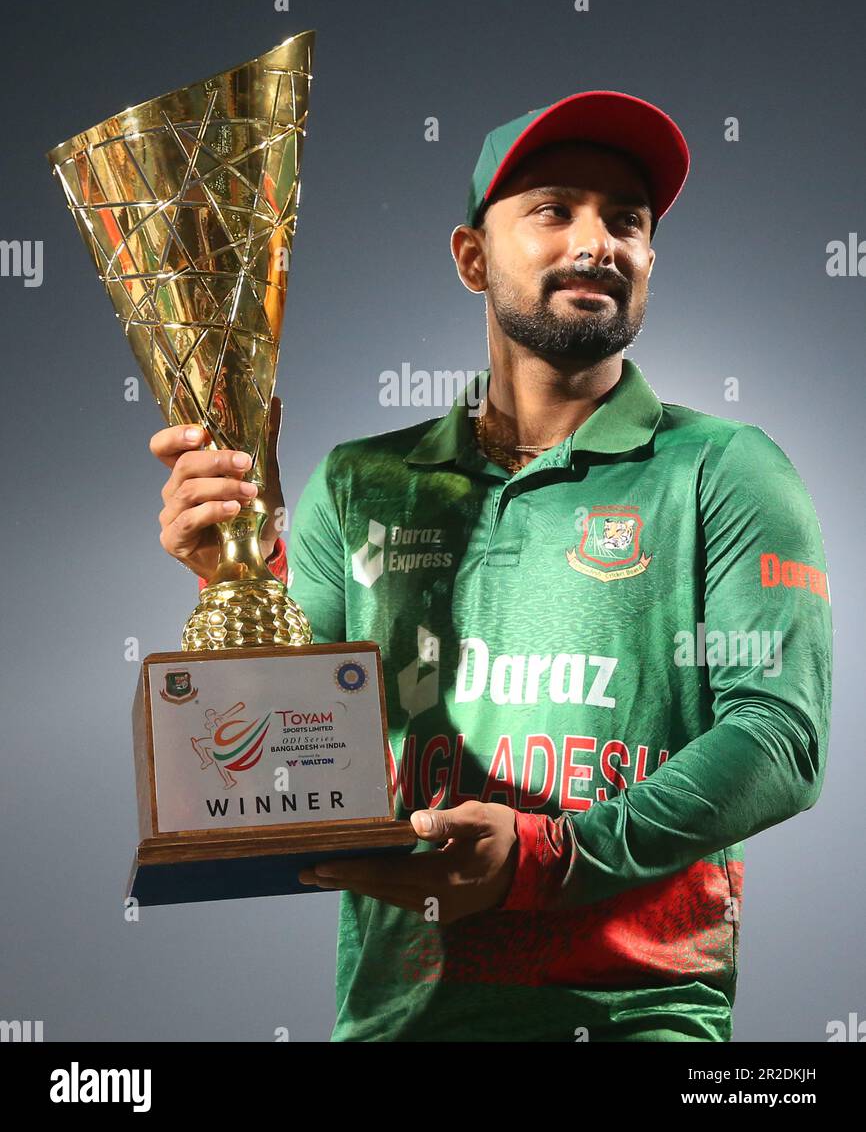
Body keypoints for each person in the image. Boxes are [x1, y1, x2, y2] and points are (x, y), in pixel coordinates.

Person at [150, 91, 833, 1042]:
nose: (597, 242)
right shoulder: (360, 485)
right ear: (473, 258)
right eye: (555, 210)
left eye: (626, 221)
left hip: (637, 1022)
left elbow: (781, 738)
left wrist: (545, 858)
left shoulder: (724, 468)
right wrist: (232, 574)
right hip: (398, 1025)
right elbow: (282, 771)